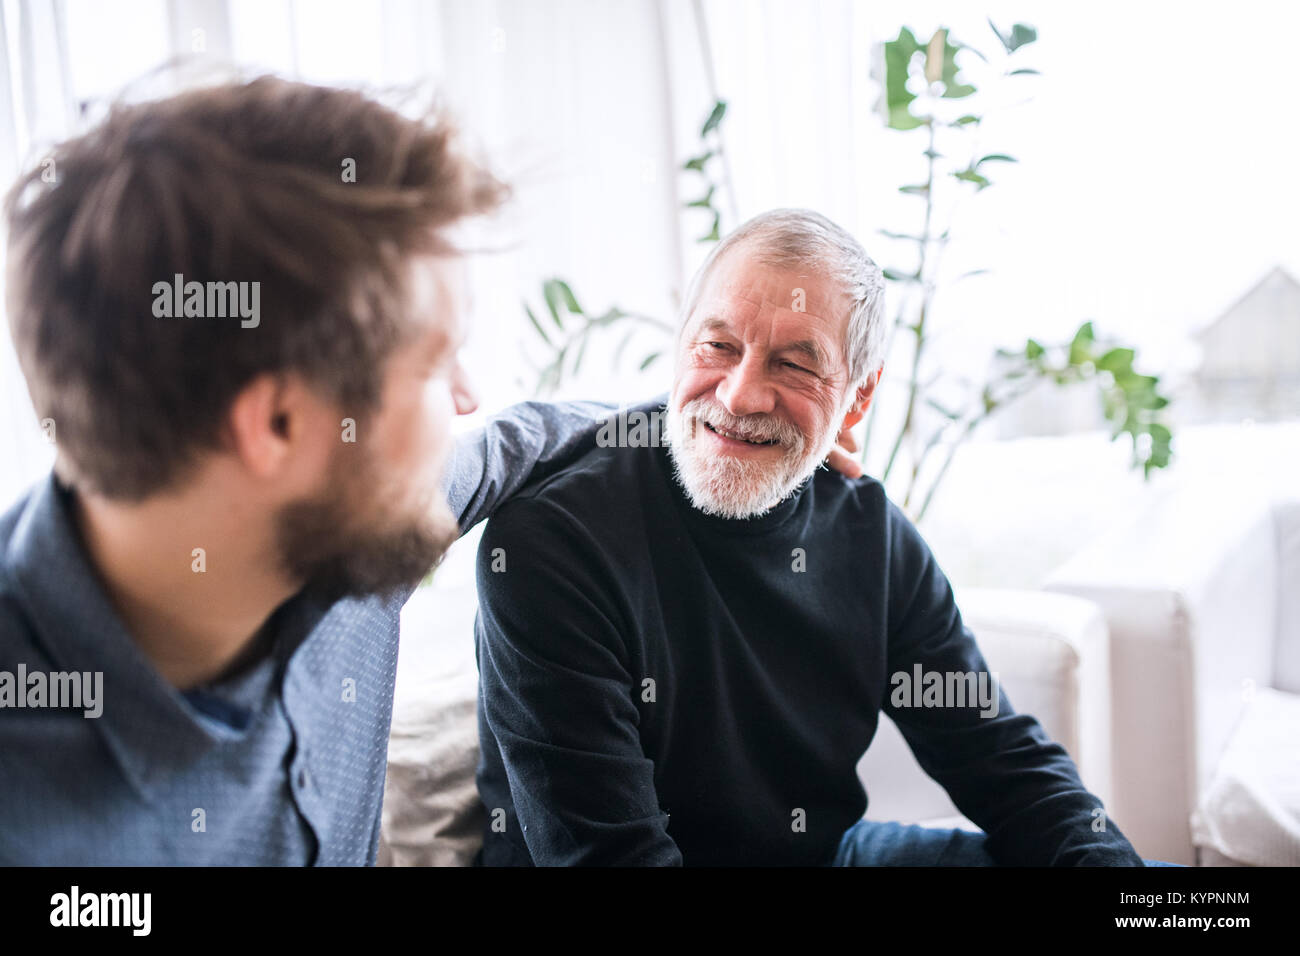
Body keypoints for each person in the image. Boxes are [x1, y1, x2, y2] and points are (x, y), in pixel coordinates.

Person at [0, 76, 723, 864]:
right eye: (434, 360)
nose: (465, 396)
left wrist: (740, 424)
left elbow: (521, 439)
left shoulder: (335, 504)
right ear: (276, 425)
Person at [474, 208, 1151, 866]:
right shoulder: (552, 542)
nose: (740, 396)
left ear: (856, 398)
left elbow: (1006, 763)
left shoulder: (869, 535)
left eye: (795, 365)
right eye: (719, 346)